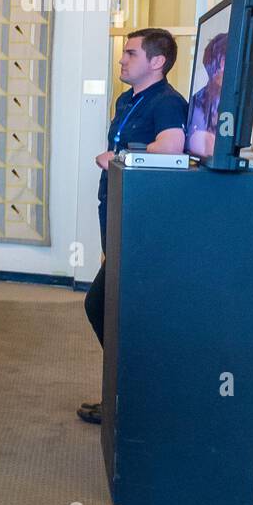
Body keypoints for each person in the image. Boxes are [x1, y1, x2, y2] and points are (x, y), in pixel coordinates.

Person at [78, 28, 187, 425]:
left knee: (102, 306)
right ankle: (124, 395)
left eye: (131, 53)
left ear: (157, 62)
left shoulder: (168, 102)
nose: (122, 60)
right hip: (115, 210)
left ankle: (131, 398)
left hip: (141, 222)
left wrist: (120, 154)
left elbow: (171, 147)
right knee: (110, 310)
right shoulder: (126, 99)